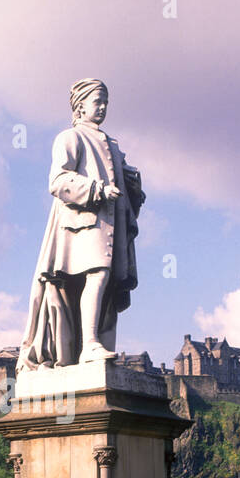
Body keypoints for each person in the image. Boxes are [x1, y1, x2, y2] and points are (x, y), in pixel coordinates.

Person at [17, 78, 144, 371]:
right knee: (98, 274)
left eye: (105, 103)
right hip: (80, 226)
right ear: (80, 106)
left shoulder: (112, 144)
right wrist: (96, 189)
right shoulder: (69, 138)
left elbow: (124, 183)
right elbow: (58, 181)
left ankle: (96, 343)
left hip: (110, 226)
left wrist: (132, 184)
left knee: (108, 286)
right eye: (97, 102)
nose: (102, 108)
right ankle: (88, 345)